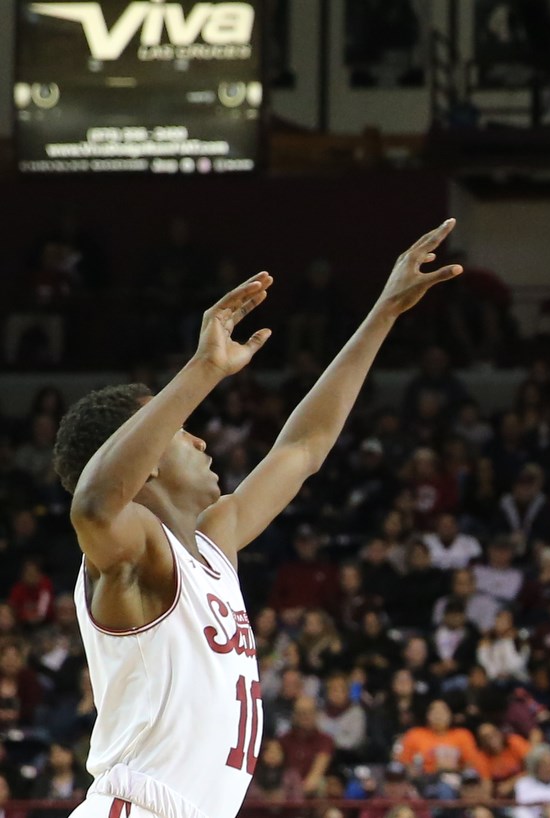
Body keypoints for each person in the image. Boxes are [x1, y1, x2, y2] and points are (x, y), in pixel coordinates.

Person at [54, 221, 461, 818]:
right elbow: (93, 503)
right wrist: (203, 370)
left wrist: (384, 314)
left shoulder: (212, 544)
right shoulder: (136, 550)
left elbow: (304, 448)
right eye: (177, 430)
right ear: (140, 466)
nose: (198, 437)